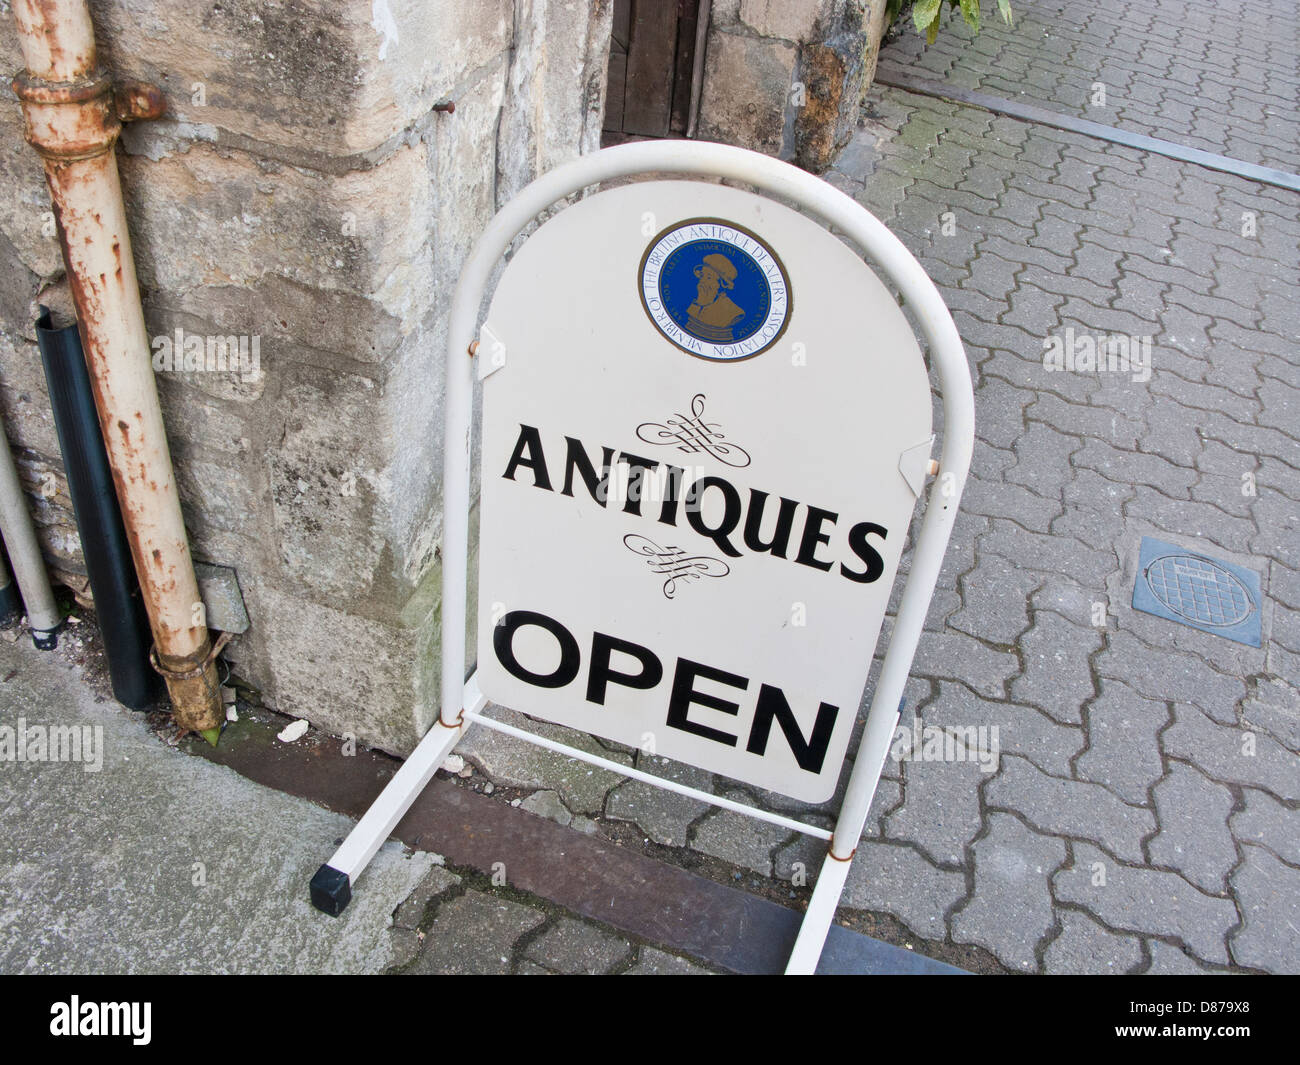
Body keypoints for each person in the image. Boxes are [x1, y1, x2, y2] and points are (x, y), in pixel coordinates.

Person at [685, 252, 745, 342]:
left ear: (722, 285)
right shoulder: (697, 303)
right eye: (702, 276)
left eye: (709, 278)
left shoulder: (733, 312)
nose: (702, 282)